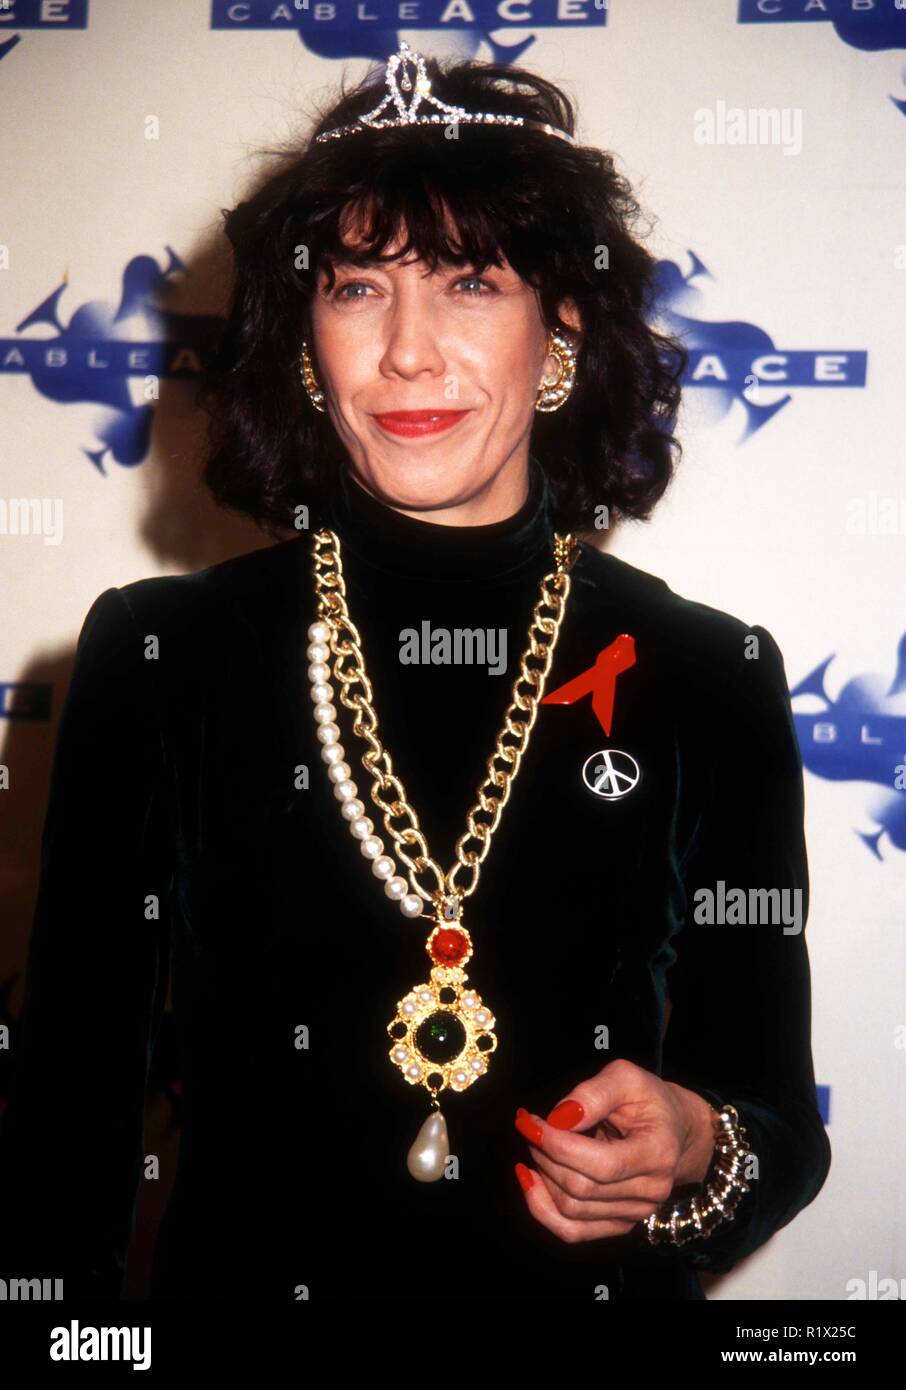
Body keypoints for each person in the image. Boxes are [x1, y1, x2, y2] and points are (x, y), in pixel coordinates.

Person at [0, 41, 829, 1302]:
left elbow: (776, 1122)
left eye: (469, 283)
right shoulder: (162, 655)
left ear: (560, 330)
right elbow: (65, 1136)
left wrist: (703, 1144)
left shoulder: (709, 673)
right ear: (301, 341)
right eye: (356, 289)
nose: (406, 352)